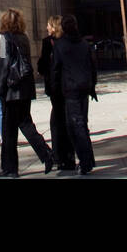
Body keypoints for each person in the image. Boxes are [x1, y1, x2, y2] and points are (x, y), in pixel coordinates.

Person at [0, 9, 53, 179]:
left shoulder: (5, 39)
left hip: (11, 90)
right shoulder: (24, 38)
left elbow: (4, 66)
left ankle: (10, 168)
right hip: (25, 89)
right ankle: (47, 154)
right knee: (26, 124)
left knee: (8, 131)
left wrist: (0, 88)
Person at [51, 13, 98, 175]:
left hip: (71, 90)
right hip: (84, 89)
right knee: (82, 124)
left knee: (75, 127)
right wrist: (92, 87)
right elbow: (92, 67)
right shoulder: (84, 44)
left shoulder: (60, 45)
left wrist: (54, 89)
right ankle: (89, 159)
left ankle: (85, 162)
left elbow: (56, 70)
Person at [37, 15, 75, 171]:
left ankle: (59, 157)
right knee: (66, 121)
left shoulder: (48, 42)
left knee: (56, 122)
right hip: (69, 86)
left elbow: (42, 66)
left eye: (48, 25)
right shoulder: (70, 40)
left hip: (55, 87)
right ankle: (70, 157)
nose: (46, 28)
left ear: (52, 27)